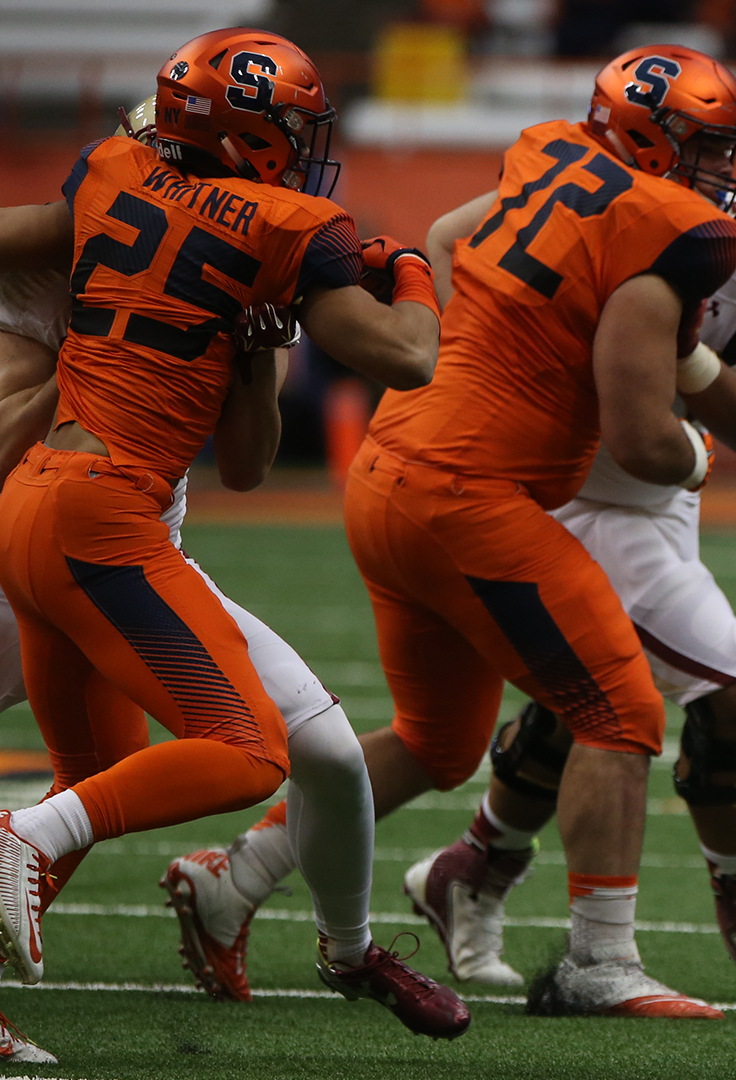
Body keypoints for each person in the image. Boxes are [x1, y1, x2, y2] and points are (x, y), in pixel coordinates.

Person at [190, 44, 736, 1019]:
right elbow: (641, 437)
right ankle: (600, 964)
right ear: (649, 139)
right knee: (620, 711)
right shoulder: (663, 224)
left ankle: (232, 878)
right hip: (466, 493)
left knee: (438, 741)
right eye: (702, 147)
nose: (716, 169)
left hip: (393, 466)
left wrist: (493, 345)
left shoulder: (548, 153)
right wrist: (701, 457)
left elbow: (449, 235)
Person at [0, 29, 465, 1055]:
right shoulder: (289, 222)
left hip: (46, 509)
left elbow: (249, 463)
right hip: (99, 520)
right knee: (246, 751)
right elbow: (409, 356)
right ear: (248, 131)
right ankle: (19, 835)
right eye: (290, 128)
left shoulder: (112, 170)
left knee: (120, 764)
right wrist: (418, 271)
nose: (303, 147)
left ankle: (343, 950)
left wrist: (261, 352)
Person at [377, 159, 736, 998]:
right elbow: (450, 239)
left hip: (660, 496)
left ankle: (474, 865)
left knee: (593, 690)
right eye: (680, 147)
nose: (699, 169)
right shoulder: (579, 198)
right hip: (563, 488)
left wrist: (686, 362)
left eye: (714, 149)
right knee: (731, 681)